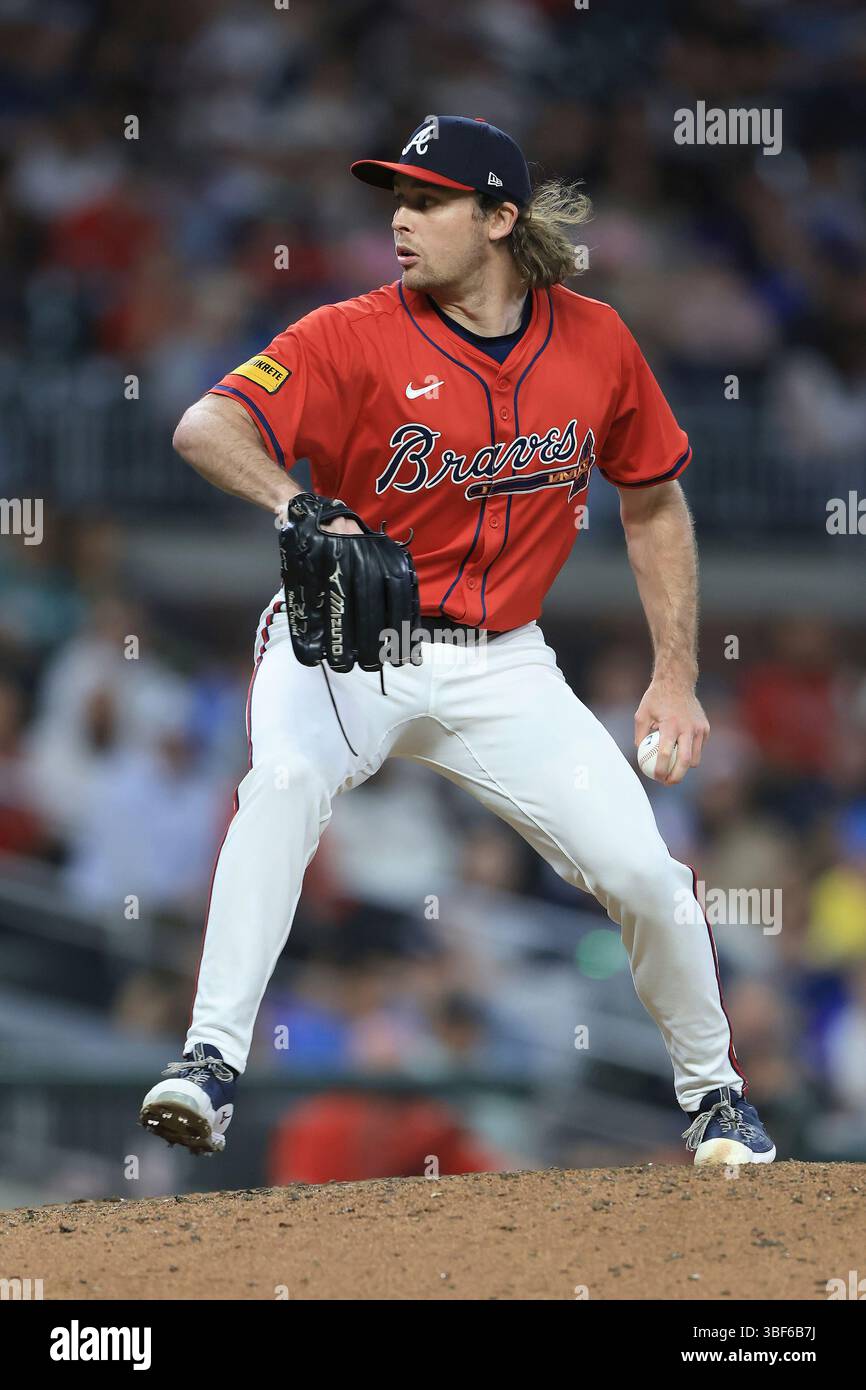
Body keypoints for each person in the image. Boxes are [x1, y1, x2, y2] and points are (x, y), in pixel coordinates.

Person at [140, 116, 774, 1167]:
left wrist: (672, 676)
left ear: (496, 219)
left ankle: (714, 1101)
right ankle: (209, 1062)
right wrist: (295, 505)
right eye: (394, 198)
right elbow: (204, 426)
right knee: (282, 785)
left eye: (427, 200)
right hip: (347, 645)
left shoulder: (595, 339)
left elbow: (653, 500)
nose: (398, 218)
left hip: (503, 659)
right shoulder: (346, 334)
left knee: (646, 873)